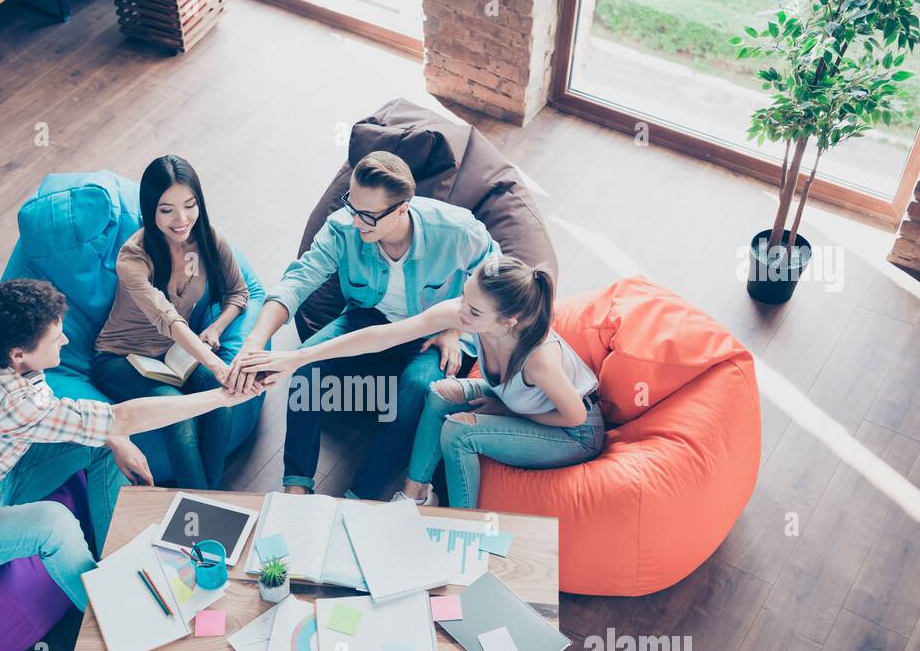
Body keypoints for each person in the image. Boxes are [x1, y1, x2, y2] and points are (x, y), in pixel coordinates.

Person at [0, 278, 259, 612]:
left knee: (106, 442)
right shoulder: (8, 401)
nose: (65, 340)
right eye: (56, 338)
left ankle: (119, 560)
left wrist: (115, 439)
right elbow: (123, 417)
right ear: (19, 354)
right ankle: (113, 614)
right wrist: (221, 398)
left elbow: (99, 426)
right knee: (54, 522)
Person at [226, 150, 499, 500]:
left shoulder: (456, 230)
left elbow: (495, 276)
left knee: (417, 388)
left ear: (403, 207)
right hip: (370, 317)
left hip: (433, 333)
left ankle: (361, 497)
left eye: (368, 215)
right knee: (306, 361)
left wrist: (455, 327)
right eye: (351, 206)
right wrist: (256, 338)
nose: (357, 222)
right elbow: (297, 281)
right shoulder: (343, 227)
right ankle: (296, 486)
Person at [232, 255, 602, 509]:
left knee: (460, 432)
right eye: (464, 298)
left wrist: (505, 410)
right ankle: (413, 498)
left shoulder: (538, 359)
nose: (460, 315)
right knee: (439, 393)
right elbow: (381, 335)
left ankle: (461, 524)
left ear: (508, 321)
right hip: (522, 404)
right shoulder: (465, 315)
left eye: (472, 311)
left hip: (573, 432)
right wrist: (298, 357)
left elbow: (573, 417)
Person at [90, 155, 250, 489]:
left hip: (175, 352)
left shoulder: (210, 239)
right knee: (178, 413)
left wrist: (216, 327)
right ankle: (202, 509)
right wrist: (215, 364)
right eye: (166, 210)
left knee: (222, 399)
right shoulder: (133, 258)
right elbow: (169, 321)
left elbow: (240, 294)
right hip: (121, 356)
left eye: (190, 206)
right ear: (150, 210)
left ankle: (211, 495)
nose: (181, 220)